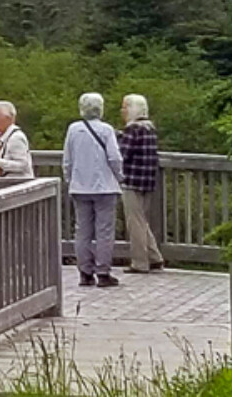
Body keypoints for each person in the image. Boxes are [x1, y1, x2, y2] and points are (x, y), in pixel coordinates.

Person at [63, 91, 125, 288]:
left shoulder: (73, 129)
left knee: (82, 231)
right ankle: (103, 271)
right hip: (105, 187)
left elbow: (67, 159)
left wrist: (70, 179)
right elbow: (114, 157)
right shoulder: (106, 130)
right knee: (104, 231)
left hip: (80, 187)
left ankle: (85, 272)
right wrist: (119, 176)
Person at [118, 94, 167, 273]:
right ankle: (155, 257)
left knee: (134, 222)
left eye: (125, 107)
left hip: (132, 180)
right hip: (148, 180)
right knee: (141, 220)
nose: (122, 111)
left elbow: (123, 155)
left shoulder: (133, 129)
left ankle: (140, 262)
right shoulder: (149, 128)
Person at [0, 100, 34, 179]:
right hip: (7, 182)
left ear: (7, 118)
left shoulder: (16, 138)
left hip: (20, 184)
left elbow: (22, 165)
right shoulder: (0, 136)